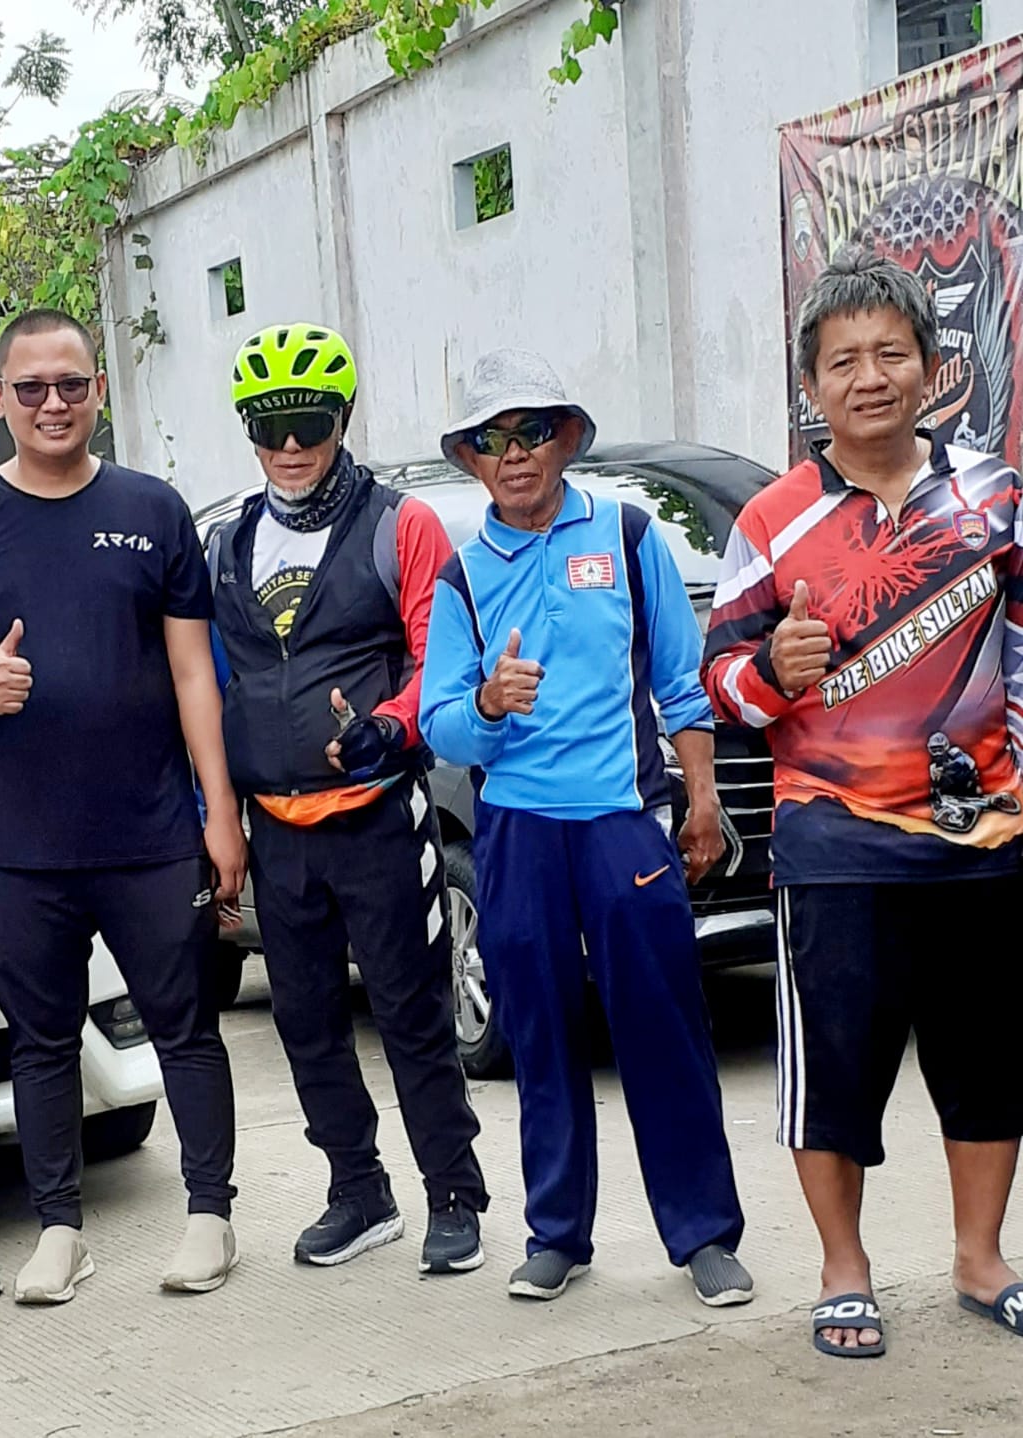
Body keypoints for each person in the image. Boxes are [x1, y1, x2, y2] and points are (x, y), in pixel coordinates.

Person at [702, 248, 1023, 1358]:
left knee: (986, 1066)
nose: (869, 376)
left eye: (891, 353)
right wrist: (775, 672)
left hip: (983, 838)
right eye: (843, 361)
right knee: (831, 1072)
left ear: (931, 369)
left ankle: (981, 1260)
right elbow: (718, 684)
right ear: (812, 385)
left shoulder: (992, 493)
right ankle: (844, 1270)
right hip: (834, 848)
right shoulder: (772, 520)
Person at [0, 308, 245, 1304]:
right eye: (31, 388)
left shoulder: (153, 508)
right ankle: (59, 1228)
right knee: (41, 1038)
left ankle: (210, 1215)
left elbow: (194, 673)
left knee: (184, 1025)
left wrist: (217, 813)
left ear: (98, 390)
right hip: (19, 842)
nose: (52, 403)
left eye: (71, 384)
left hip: (149, 831)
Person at [420, 350, 753, 1309]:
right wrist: (487, 700)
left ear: (566, 437)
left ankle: (704, 1238)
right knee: (542, 1035)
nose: (515, 454)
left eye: (532, 432)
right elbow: (440, 717)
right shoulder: (465, 574)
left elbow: (682, 687)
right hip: (518, 832)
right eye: (493, 439)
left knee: (664, 1029)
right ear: (472, 460)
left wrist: (700, 800)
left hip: (622, 822)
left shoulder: (630, 533)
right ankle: (557, 1234)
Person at [209, 322, 488, 1275]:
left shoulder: (396, 523)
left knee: (412, 1010)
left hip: (375, 814)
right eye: (270, 425)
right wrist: (213, 812)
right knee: (305, 1018)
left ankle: (453, 1193)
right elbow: (211, 681)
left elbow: (432, 648)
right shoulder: (227, 544)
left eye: (311, 422)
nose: (291, 447)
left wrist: (393, 727)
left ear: (342, 420)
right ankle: (357, 1190)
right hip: (275, 825)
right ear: (249, 430)